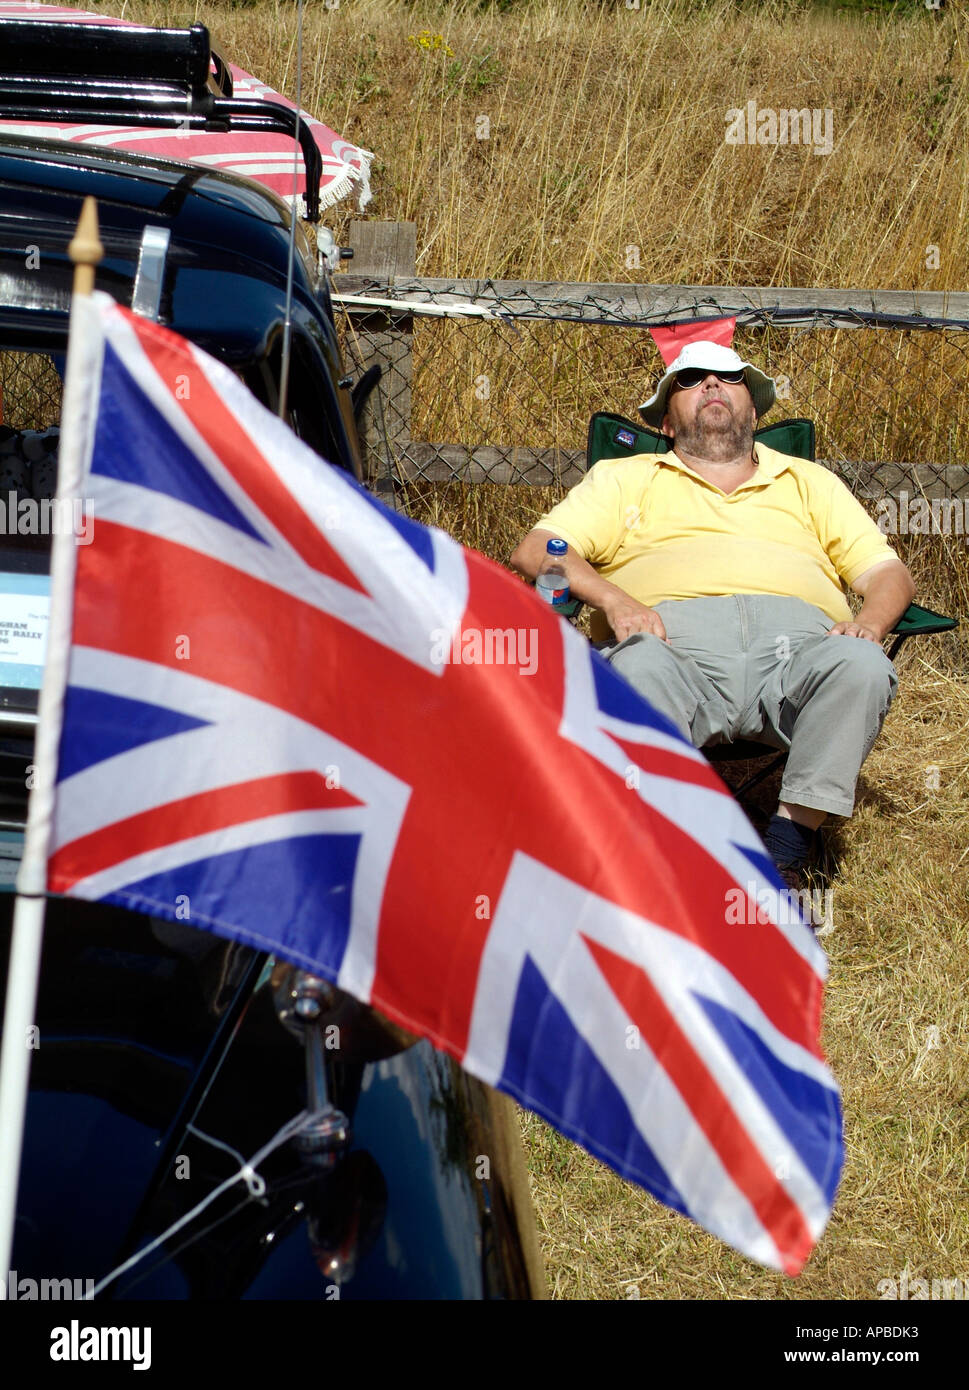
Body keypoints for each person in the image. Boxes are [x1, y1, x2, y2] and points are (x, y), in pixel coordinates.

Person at [509, 340, 915, 885]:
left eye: (728, 376)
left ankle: (787, 852)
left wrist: (868, 625)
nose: (711, 384)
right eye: (691, 378)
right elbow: (538, 550)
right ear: (668, 423)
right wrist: (614, 599)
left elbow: (888, 574)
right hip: (673, 649)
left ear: (754, 410)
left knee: (862, 664)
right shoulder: (627, 477)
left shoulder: (808, 481)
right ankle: (669, 859)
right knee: (633, 671)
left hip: (800, 656)